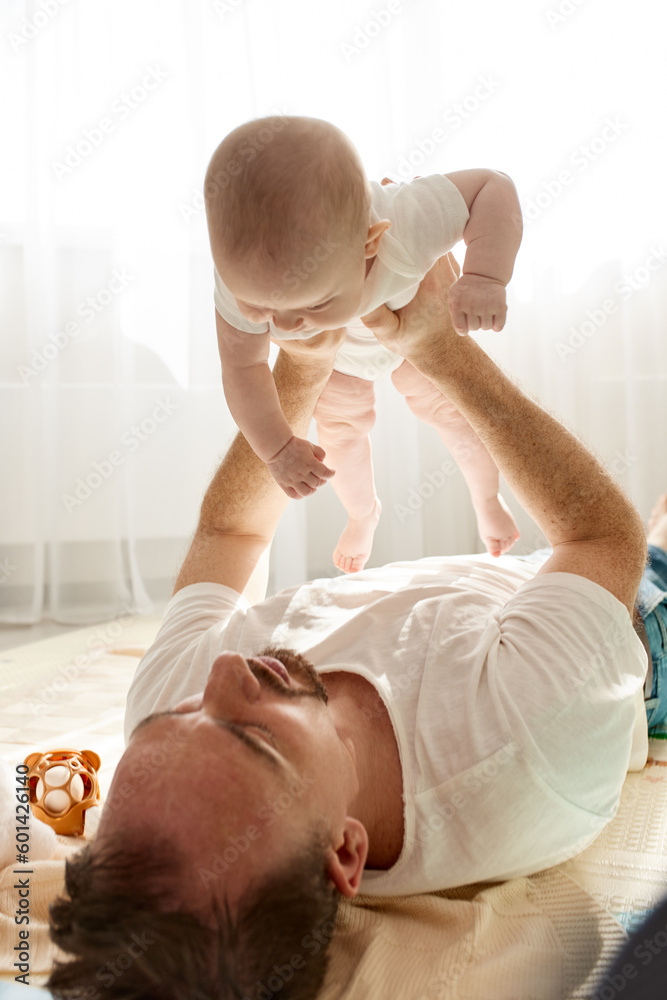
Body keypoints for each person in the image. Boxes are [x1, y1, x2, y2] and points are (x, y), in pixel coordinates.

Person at [47, 253, 657, 1000]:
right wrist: (441, 352)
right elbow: (600, 539)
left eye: (176, 715)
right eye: (255, 736)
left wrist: (303, 369)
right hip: (636, 620)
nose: (222, 675)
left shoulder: (180, 722)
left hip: (502, 594)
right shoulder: (526, 740)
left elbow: (230, 534)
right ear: (345, 853)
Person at [205, 115, 522, 572]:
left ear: (370, 242)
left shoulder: (407, 219)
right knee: (340, 434)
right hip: (342, 362)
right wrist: (276, 448)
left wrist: (485, 275)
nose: (288, 326)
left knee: (454, 414)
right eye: (261, 308)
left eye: (311, 303)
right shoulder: (238, 279)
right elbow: (242, 369)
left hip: (413, 328)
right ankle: (362, 514)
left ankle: (486, 497)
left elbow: (493, 187)